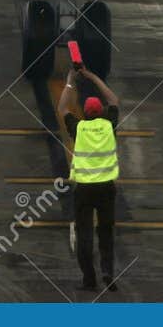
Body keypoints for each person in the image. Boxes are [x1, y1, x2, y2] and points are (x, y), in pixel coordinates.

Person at [58, 61, 120, 291]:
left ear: (84, 113)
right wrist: (93, 76)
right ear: (102, 112)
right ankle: (107, 273)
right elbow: (113, 99)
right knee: (106, 232)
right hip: (106, 188)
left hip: (84, 189)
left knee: (84, 235)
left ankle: (89, 279)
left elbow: (63, 108)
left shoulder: (79, 128)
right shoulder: (108, 126)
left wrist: (70, 81)